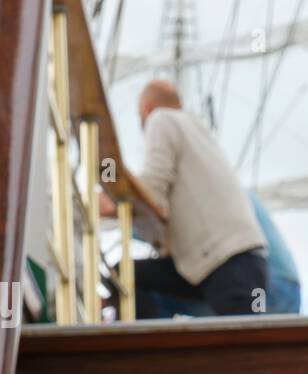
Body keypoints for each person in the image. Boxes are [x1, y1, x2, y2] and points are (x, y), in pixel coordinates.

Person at [101, 79, 267, 318]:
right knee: (125, 274)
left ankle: (146, 348)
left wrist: (110, 202)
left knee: (246, 347)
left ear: (146, 109)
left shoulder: (161, 119)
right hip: (226, 263)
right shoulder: (198, 132)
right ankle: (149, 345)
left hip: (227, 262)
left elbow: (153, 189)